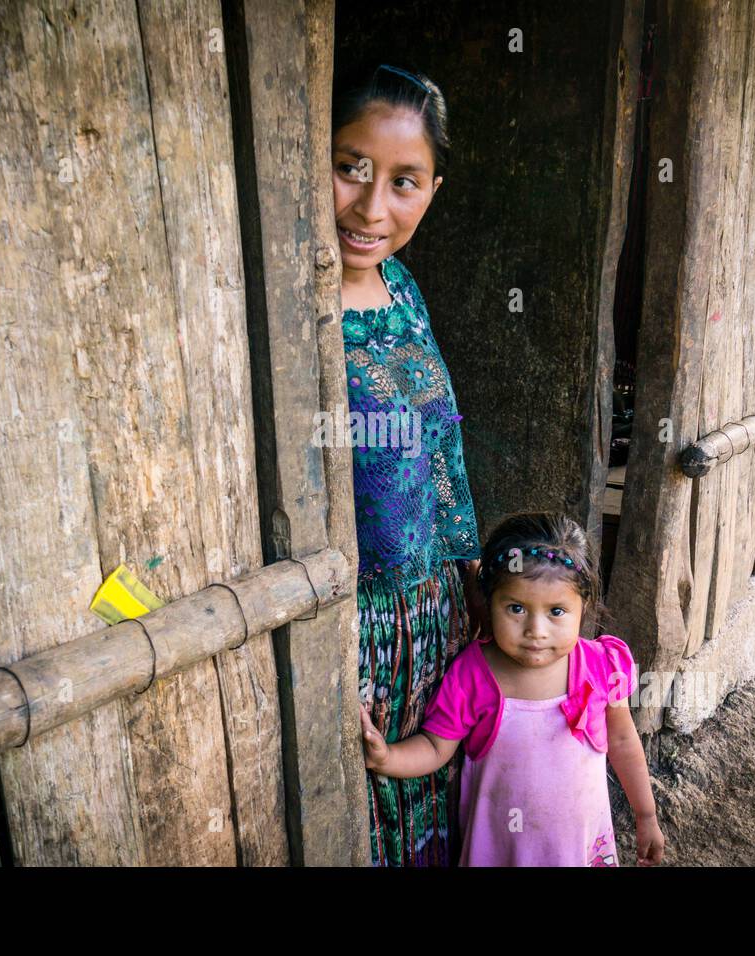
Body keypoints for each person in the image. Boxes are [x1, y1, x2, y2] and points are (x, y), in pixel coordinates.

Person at [333, 62, 484, 866]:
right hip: (346, 632)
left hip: (430, 620)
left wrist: (470, 578)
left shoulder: (400, 287)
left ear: (432, 188)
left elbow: (444, 445)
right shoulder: (297, 304)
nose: (370, 207)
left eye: (403, 181)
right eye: (350, 167)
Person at [359, 511, 666, 866]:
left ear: (584, 607)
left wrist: (646, 816)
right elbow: (434, 746)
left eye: (556, 611)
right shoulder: (473, 674)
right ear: (489, 601)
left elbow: (624, 741)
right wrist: (388, 758)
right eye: (516, 608)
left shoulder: (601, 665)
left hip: (575, 848)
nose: (536, 629)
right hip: (502, 849)